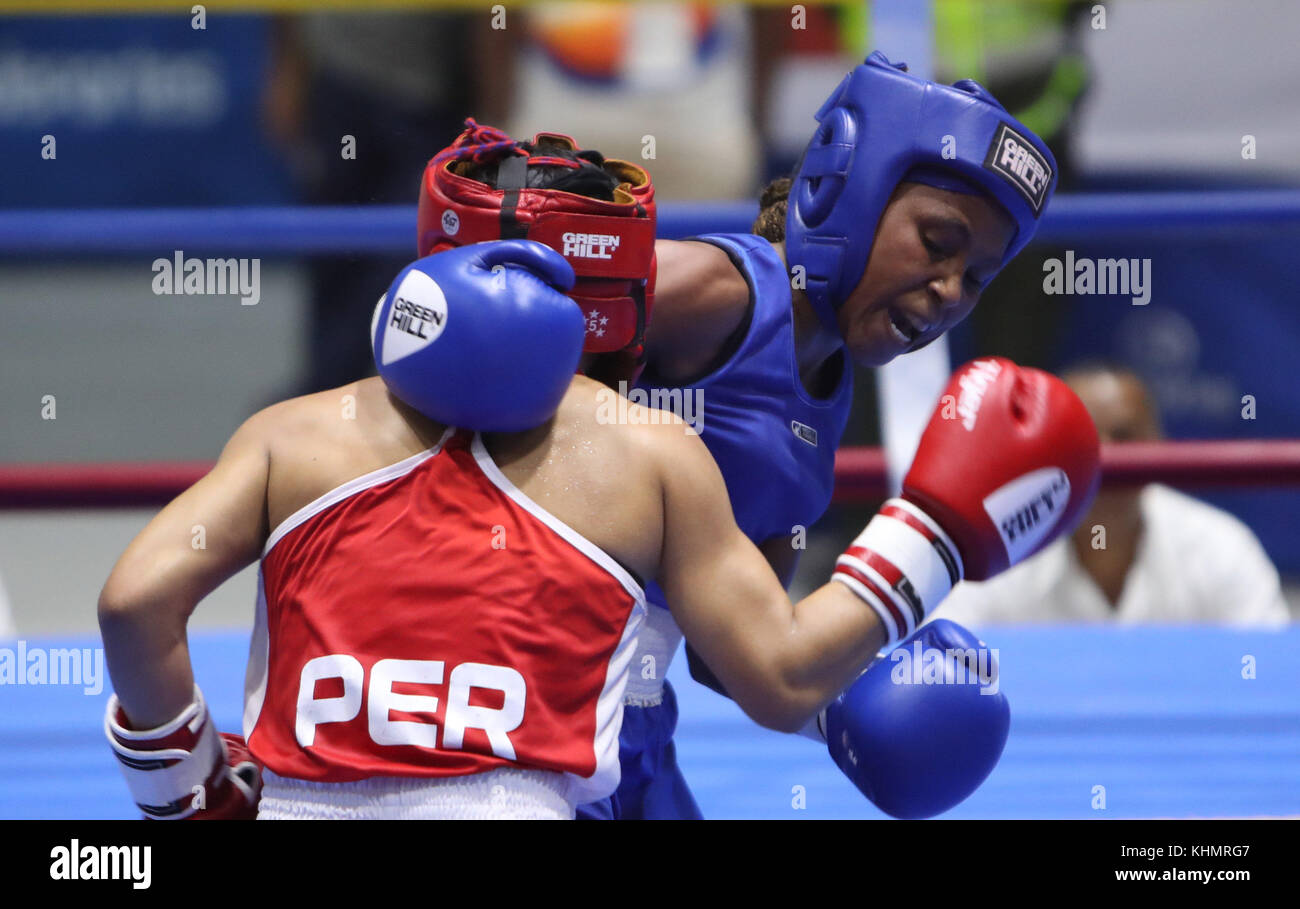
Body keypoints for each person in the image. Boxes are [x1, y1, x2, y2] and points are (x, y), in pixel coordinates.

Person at [100, 131, 1098, 820]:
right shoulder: (653, 457)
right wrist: (933, 530)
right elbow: (774, 663)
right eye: (938, 243)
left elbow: (134, 601)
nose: (950, 290)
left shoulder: (290, 435)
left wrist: (192, 798)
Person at [609, 50, 1062, 818]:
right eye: (937, 241)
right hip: (523, 706)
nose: (950, 290)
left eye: (977, 276)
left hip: (634, 726)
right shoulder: (722, 293)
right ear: (850, 194)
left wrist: (848, 708)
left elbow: (740, 649)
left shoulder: (825, 392)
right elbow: (485, 333)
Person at [936, 362, 1290, 627]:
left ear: (1159, 446)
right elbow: (947, 674)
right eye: (1083, 436)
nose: (1104, 458)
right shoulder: (998, 556)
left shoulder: (1221, 548)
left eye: (1123, 436)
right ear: (1046, 449)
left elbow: (1270, 678)